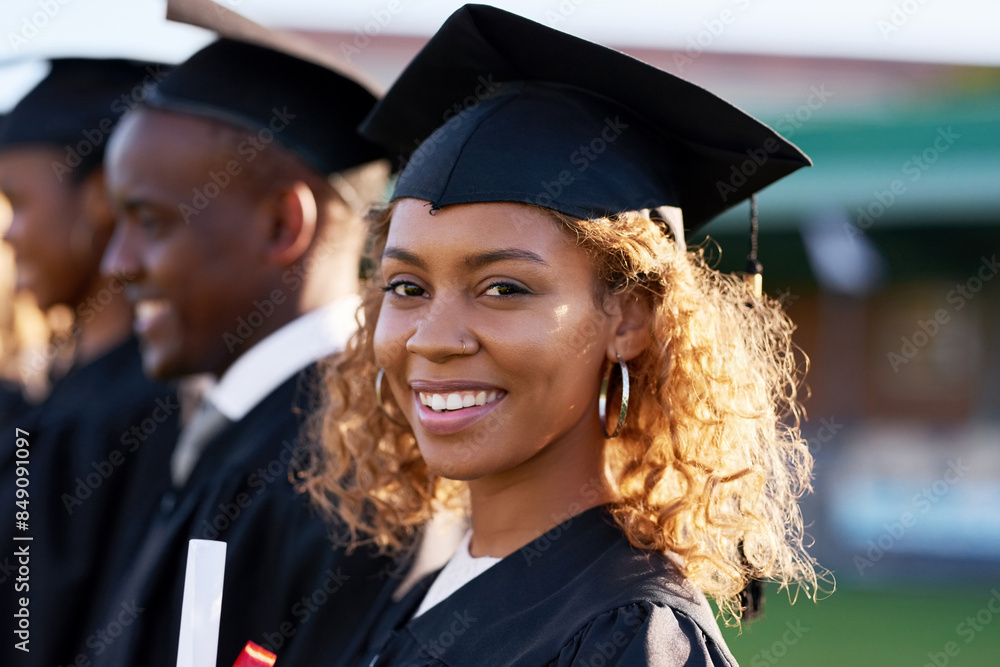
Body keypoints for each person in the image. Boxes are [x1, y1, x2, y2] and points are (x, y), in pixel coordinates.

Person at [304, 5, 827, 665]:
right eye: (407, 287)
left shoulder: (630, 638)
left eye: (503, 288)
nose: (431, 339)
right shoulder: (437, 585)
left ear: (629, 318)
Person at [89, 37, 398, 667]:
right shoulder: (253, 436)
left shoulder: (333, 465)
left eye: (149, 221)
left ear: (283, 224)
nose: (116, 264)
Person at [0, 58, 183, 667]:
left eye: (18, 202)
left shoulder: (147, 406)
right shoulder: (60, 395)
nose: (8, 233)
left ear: (102, 197)